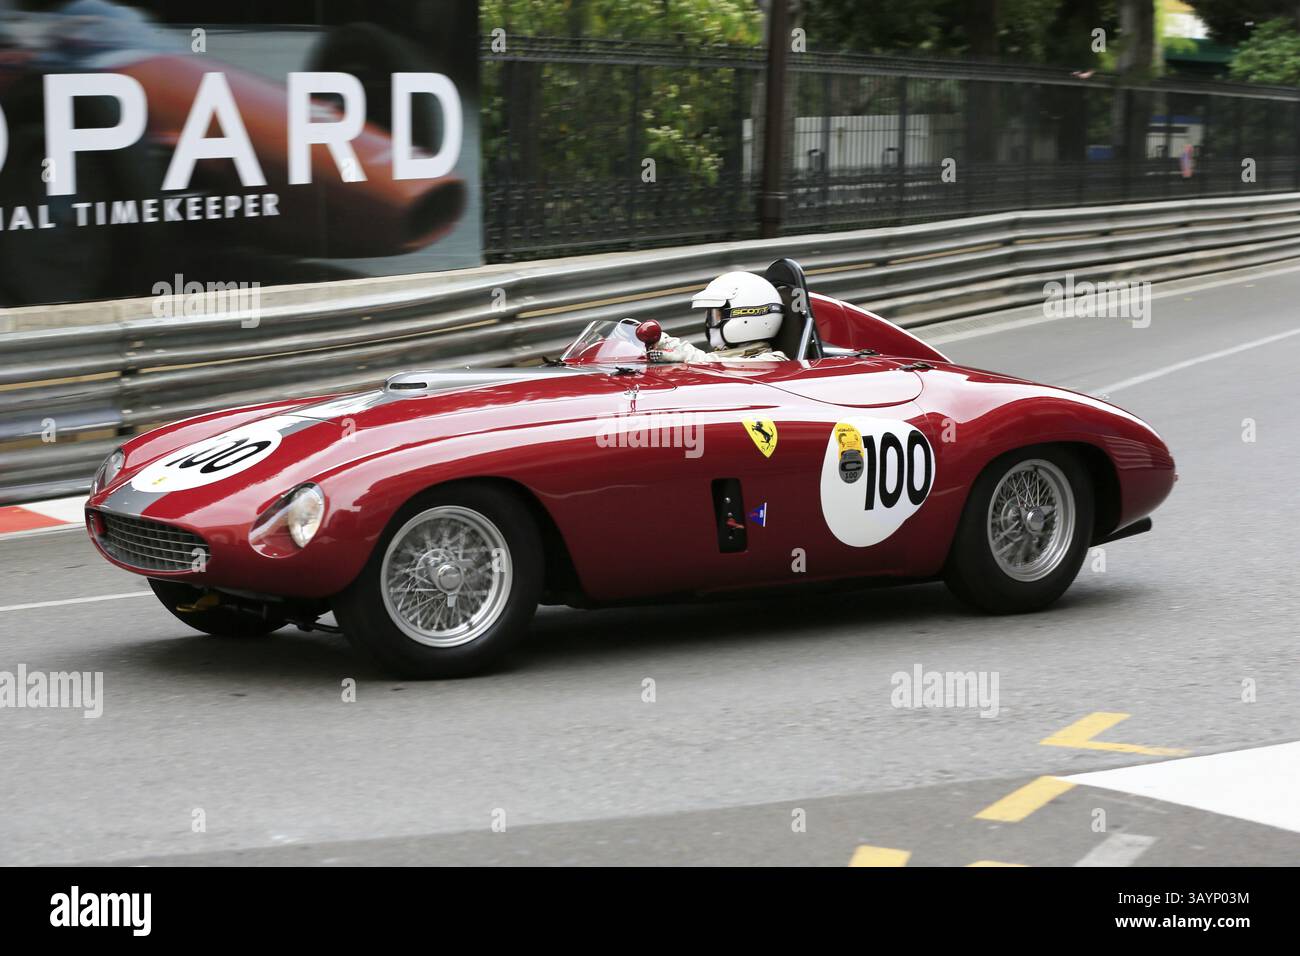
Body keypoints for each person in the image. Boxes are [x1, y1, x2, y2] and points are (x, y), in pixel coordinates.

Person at [648, 271, 789, 363]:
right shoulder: (727, 357)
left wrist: (683, 356)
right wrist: (662, 341)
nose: (709, 324)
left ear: (747, 316)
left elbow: (718, 364)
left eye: (715, 315)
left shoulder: (773, 361)